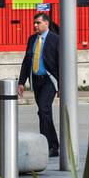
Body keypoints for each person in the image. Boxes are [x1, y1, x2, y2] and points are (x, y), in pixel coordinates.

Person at [18, 12, 60, 158]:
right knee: (44, 112)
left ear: (46, 24)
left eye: (38, 23)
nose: (35, 25)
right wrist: (21, 82)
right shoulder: (32, 39)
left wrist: (61, 85)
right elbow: (26, 61)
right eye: (34, 23)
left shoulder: (55, 39)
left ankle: (47, 145)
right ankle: (54, 145)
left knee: (43, 109)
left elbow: (61, 63)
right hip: (36, 80)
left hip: (49, 79)